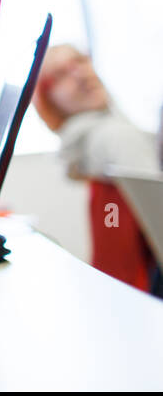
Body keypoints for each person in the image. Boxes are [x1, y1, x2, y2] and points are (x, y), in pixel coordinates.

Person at [33, 44, 162, 294]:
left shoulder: (84, 143)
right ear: (50, 101)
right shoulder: (115, 136)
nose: (81, 74)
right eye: (61, 74)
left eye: (81, 61)